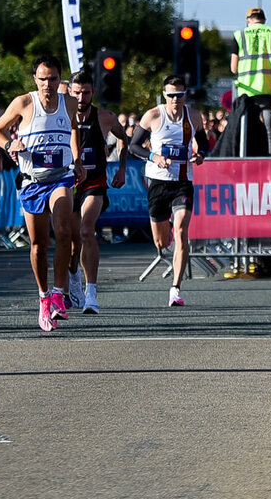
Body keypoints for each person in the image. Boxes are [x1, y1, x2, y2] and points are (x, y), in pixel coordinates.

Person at [0, 54, 82, 330]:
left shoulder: (69, 103)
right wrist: (10, 146)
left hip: (61, 178)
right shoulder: (24, 103)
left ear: (60, 79)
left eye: (53, 79)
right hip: (32, 181)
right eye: (42, 79)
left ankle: (58, 292)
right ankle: (43, 297)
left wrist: (77, 160)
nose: (48, 84)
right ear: (35, 79)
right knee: (38, 246)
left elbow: (75, 129)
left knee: (64, 229)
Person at [130, 76, 205, 307]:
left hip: (183, 182)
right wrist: (155, 157)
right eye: (171, 95)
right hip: (158, 182)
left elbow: (203, 143)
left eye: (179, 95)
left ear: (185, 95)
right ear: (164, 95)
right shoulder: (153, 116)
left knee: (181, 231)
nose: (175, 100)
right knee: (161, 241)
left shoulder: (192, 116)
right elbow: (134, 146)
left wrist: (199, 155)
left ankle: (176, 288)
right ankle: (168, 243)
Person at [66, 66, 130, 314]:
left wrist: (122, 169)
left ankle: (91, 291)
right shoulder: (61, 116)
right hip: (68, 184)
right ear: (70, 92)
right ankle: (73, 280)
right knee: (70, 242)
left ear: (93, 93)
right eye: (77, 93)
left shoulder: (105, 117)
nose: (81, 99)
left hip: (94, 183)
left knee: (85, 230)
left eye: (86, 93)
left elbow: (124, 139)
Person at [230, 6, 271, 155]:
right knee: (270, 130)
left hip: (247, 90)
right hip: (269, 88)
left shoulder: (239, 35)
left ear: (248, 20)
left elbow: (234, 68)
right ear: (264, 20)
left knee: (245, 128)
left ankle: (244, 158)